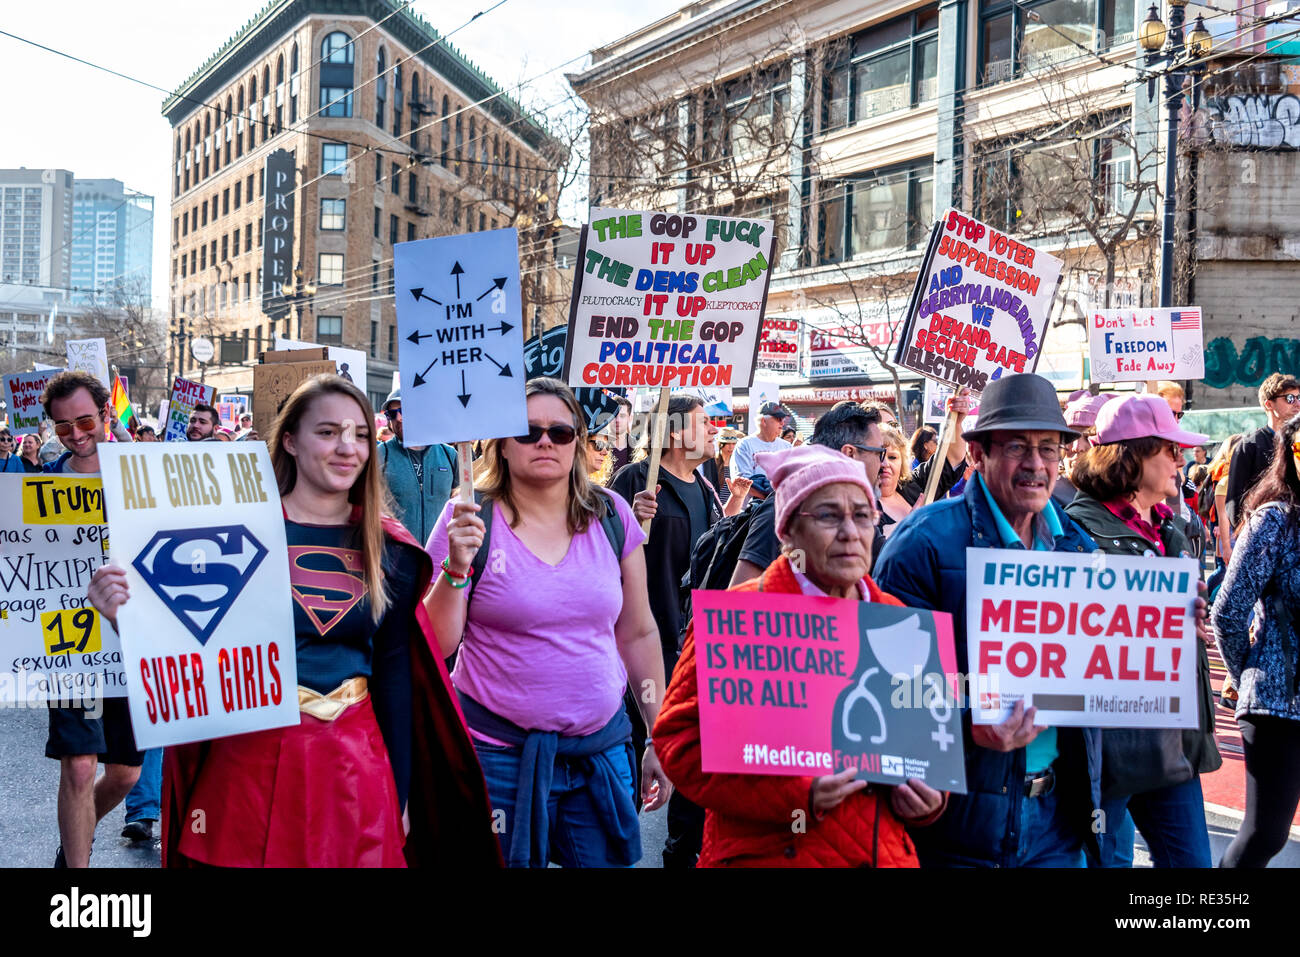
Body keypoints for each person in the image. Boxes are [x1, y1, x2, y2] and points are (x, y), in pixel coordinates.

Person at [89, 374, 500, 868]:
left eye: (360, 433)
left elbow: (395, 679)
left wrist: (402, 792)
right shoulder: (230, 529)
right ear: (290, 439)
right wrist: (125, 617)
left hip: (355, 760)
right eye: (327, 431)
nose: (347, 446)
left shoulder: (391, 549)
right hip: (248, 761)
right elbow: (184, 644)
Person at [653, 444, 946, 867]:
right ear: (787, 531)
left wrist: (930, 798)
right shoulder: (740, 620)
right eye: (828, 515)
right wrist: (795, 793)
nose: (850, 531)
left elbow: (928, 750)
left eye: (863, 515)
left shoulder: (900, 623)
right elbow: (678, 744)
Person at [423, 377, 670, 867]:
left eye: (561, 432)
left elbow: (638, 630)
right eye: (528, 431)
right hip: (497, 757)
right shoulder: (468, 519)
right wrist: (455, 566)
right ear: (502, 445)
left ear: (578, 442)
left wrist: (657, 735)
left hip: (600, 752)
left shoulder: (612, 515)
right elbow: (435, 642)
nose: (544, 441)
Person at [873, 373, 1102, 868]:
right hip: (958, 823)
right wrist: (966, 726)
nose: (1036, 463)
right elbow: (888, 689)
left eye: (1049, 448)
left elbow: (1101, 681)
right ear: (977, 454)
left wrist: (1163, 634)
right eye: (1018, 446)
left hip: (1057, 825)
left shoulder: (1078, 547)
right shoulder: (923, 544)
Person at [1063, 395, 1220, 868]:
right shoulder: (1078, 531)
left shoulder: (1169, 529)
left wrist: (1188, 621)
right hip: (1111, 750)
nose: (1180, 460)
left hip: (1172, 744)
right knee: (1105, 861)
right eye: (1168, 450)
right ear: (1131, 456)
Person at [611, 395, 724, 868]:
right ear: (675, 432)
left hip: (689, 645)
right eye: (705, 422)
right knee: (634, 753)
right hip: (641, 645)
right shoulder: (636, 480)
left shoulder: (708, 485)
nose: (717, 429)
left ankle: (681, 853)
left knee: (689, 757)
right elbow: (602, 558)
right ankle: (611, 848)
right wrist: (632, 526)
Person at [38, 371, 143, 868]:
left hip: (130, 639)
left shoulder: (145, 475)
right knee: (79, 768)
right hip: (71, 643)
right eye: (62, 427)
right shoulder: (39, 487)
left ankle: (75, 833)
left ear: (106, 413)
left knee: (124, 775)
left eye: (83, 420)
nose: (75, 434)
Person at [1214, 413, 1300, 867]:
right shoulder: (1275, 521)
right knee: (1266, 834)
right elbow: (1227, 610)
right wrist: (1246, 670)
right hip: (1277, 706)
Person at [729, 401, 887, 588]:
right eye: (880, 453)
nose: (851, 533)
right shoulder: (783, 509)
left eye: (862, 516)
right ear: (850, 453)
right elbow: (736, 606)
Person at [378, 388, 458, 546]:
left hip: (440, 560)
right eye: (392, 414)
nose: (399, 418)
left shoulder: (449, 455)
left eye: (404, 410)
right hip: (396, 560)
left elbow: (460, 506)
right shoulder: (380, 454)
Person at [1225, 373, 1300, 528]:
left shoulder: (1297, 442)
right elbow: (1234, 503)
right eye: (1289, 399)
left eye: (1299, 398)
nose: (1297, 404)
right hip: (1264, 537)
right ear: (1269, 404)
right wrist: (1254, 533)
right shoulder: (1249, 446)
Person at [876, 415, 969, 538]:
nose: (885, 464)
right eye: (879, 455)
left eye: (892, 457)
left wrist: (955, 421)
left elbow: (952, 458)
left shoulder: (912, 485)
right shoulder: (861, 504)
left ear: (902, 462)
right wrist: (909, 524)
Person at [731, 402, 791, 482]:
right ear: (763, 421)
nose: (782, 423)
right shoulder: (745, 445)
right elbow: (742, 482)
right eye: (778, 419)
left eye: (783, 419)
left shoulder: (787, 447)